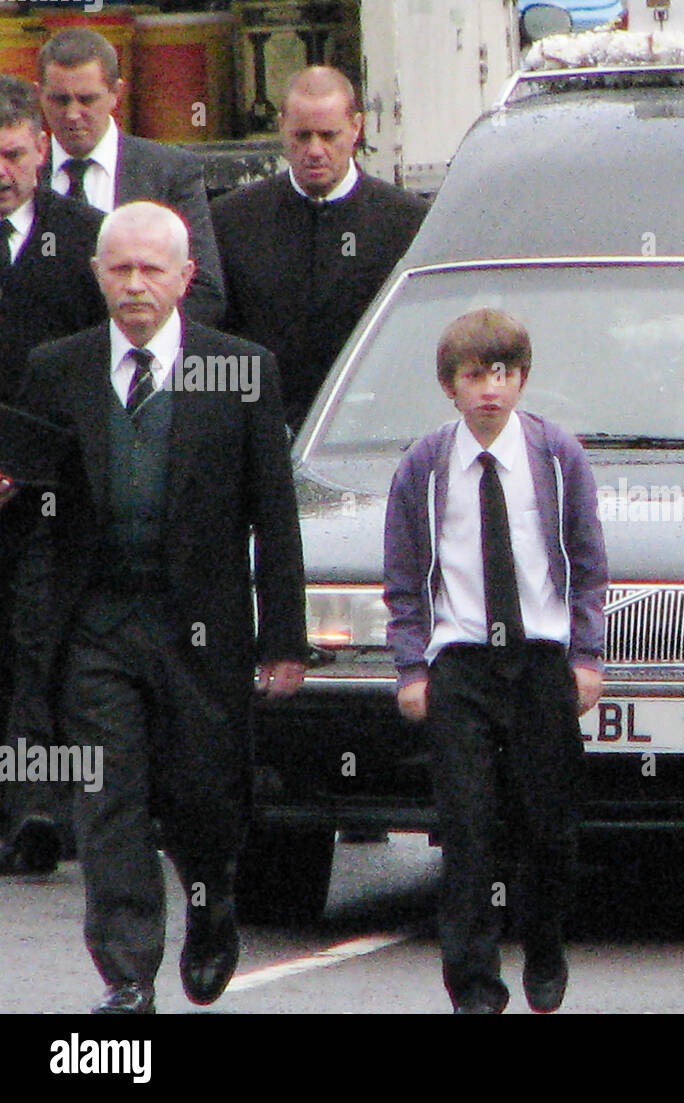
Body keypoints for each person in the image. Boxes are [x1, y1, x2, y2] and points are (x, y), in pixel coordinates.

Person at [0, 201, 307, 1014]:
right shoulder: (56, 368)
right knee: (110, 799)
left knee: (205, 797)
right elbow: (28, 514)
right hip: (97, 627)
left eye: (150, 269)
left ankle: (211, 906)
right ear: (97, 274)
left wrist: (286, 639)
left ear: (184, 277)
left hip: (200, 630)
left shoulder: (239, 369)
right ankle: (128, 971)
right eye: (120, 268)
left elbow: (273, 515)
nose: (135, 284)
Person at [384, 308, 606, 1014]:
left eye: (503, 374)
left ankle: (544, 941)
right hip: (462, 663)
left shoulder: (556, 454)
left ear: (522, 379)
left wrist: (587, 653)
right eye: (474, 375)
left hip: (541, 660)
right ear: (450, 386)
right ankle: (474, 985)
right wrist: (411, 666)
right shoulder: (424, 464)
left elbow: (588, 560)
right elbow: (405, 572)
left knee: (550, 825)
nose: (490, 390)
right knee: (468, 829)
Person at [0, 73, 105, 876]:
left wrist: (27, 462)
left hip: (53, 494)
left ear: (41, 151)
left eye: (11, 153)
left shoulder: (86, 240)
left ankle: (37, 809)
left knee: (42, 648)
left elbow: (100, 367)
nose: (1, 171)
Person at [212, 65, 429, 433]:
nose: (315, 151)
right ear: (281, 125)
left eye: (329, 136)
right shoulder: (231, 221)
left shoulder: (408, 223)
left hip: (372, 430)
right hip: (259, 428)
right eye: (302, 136)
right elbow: (215, 337)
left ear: (357, 128)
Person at [36, 26, 226, 326]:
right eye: (60, 100)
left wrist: (133, 343)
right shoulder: (19, 175)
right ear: (40, 95)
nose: (72, 114)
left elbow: (204, 291)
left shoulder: (170, 172)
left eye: (87, 99)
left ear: (116, 94)